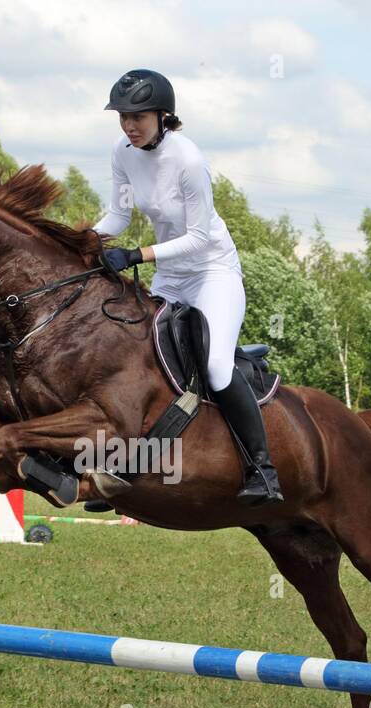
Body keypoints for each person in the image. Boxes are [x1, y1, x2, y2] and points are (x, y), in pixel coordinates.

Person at [93, 69, 283, 506]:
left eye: (138, 116)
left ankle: (263, 470)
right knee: (139, 361)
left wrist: (136, 255)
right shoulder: (122, 154)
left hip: (212, 271)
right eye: (123, 116)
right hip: (172, 277)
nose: (129, 126)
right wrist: (80, 240)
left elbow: (198, 237)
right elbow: (118, 217)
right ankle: (125, 470)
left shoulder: (189, 161)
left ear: (163, 115)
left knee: (215, 367)